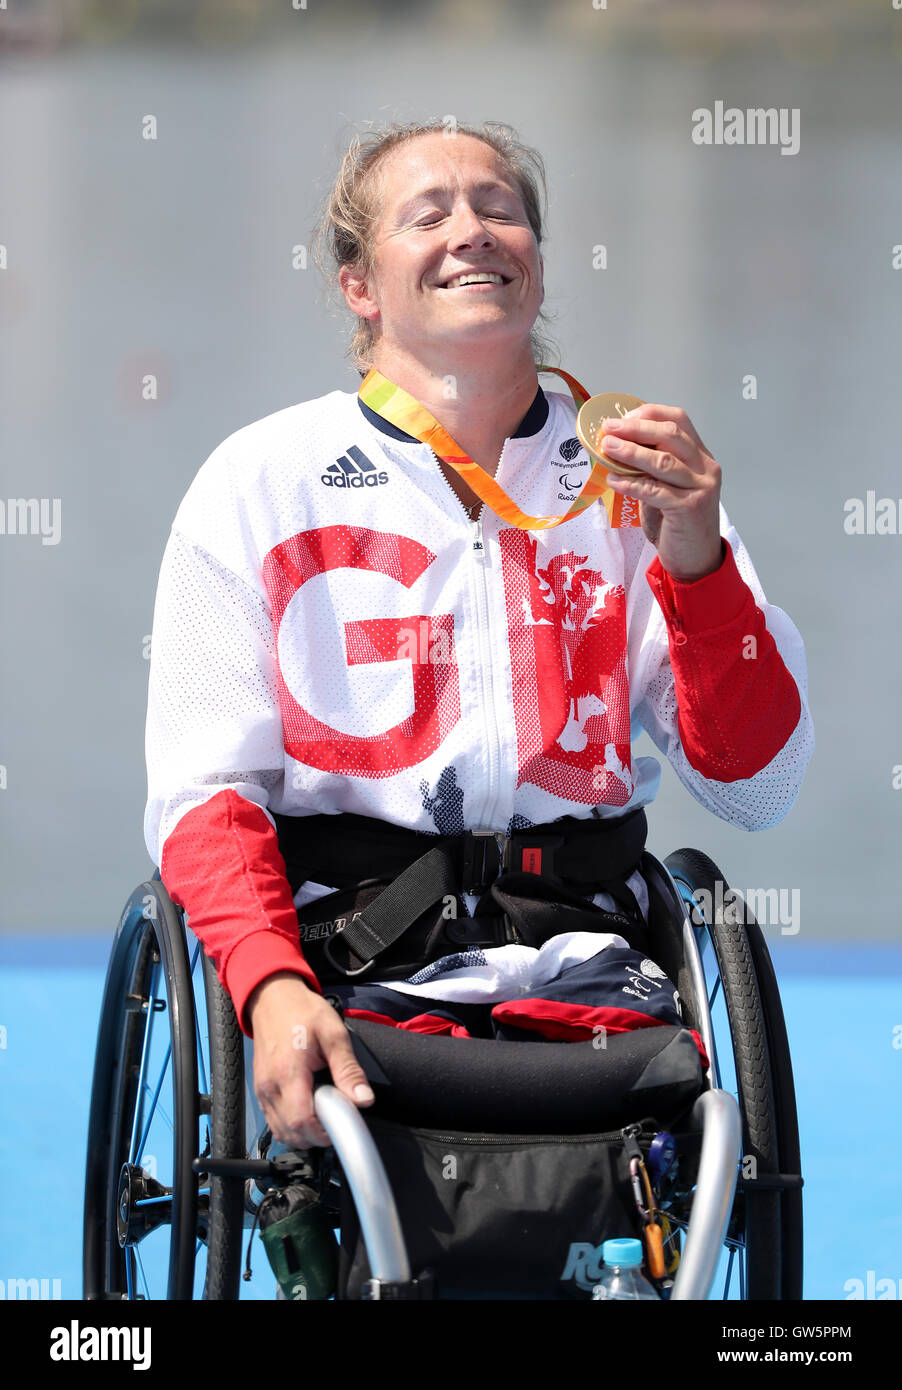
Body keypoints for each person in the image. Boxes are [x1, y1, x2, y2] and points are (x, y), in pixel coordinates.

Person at [144, 119, 814, 1152]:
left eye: (500, 210)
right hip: (354, 957)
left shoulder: (633, 474)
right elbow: (205, 793)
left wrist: (696, 562)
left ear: (537, 266)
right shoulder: (260, 480)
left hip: (592, 955)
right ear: (360, 286)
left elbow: (752, 789)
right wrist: (270, 983)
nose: (475, 231)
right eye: (430, 214)